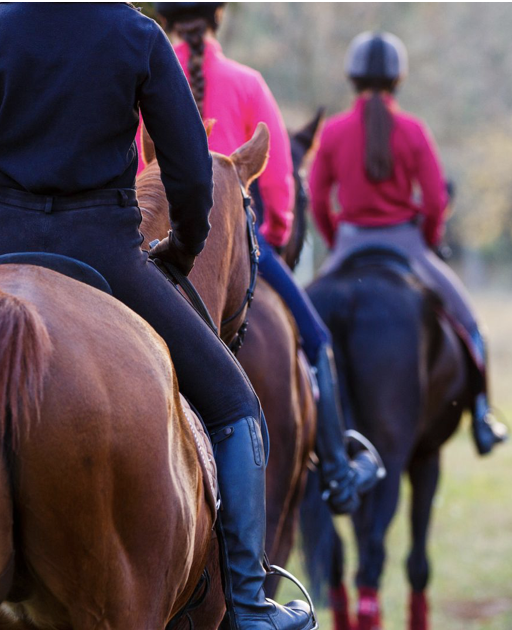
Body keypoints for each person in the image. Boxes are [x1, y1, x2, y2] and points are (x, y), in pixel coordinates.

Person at [0, 5, 313, 630]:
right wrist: (180, 249)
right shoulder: (136, 34)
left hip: (0, 243)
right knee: (235, 407)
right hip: (107, 251)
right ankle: (252, 607)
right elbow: (189, 174)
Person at [151, 2, 372, 515]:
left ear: (166, 21)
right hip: (238, 234)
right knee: (316, 340)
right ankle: (338, 471)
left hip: (158, 235)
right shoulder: (248, 83)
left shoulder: (148, 69)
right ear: (217, 17)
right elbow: (276, 181)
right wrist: (269, 234)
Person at [309, 31, 508, 457]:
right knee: (471, 326)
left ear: (352, 78)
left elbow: (318, 198)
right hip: (408, 244)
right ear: (399, 80)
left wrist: (335, 241)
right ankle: (483, 416)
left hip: (348, 244)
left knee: (301, 324)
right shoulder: (414, 131)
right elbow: (435, 202)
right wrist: (428, 243)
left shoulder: (334, 132)